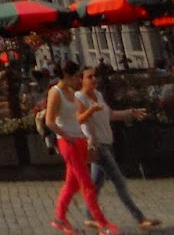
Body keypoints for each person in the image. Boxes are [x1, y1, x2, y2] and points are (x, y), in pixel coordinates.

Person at [79, 67, 159, 231]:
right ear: (82, 79)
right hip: (97, 145)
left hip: (107, 142)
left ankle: (88, 216)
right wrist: (91, 111)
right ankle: (140, 218)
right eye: (89, 76)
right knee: (119, 181)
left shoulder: (99, 95)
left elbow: (110, 114)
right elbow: (79, 119)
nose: (94, 79)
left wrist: (131, 112)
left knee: (95, 184)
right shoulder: (79, 97)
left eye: (95, 76)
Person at [44, 60, 116, 235]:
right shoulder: (56, 92)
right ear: (67, 76)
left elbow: (75, 117)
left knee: (72, 183)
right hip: (68, 142)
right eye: (77, 76)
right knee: (86, 184)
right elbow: (50, 121)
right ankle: (102, 223)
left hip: (79, 140)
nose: (79, 80)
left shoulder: (70, 91)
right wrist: (66, 135)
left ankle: (59, 217)